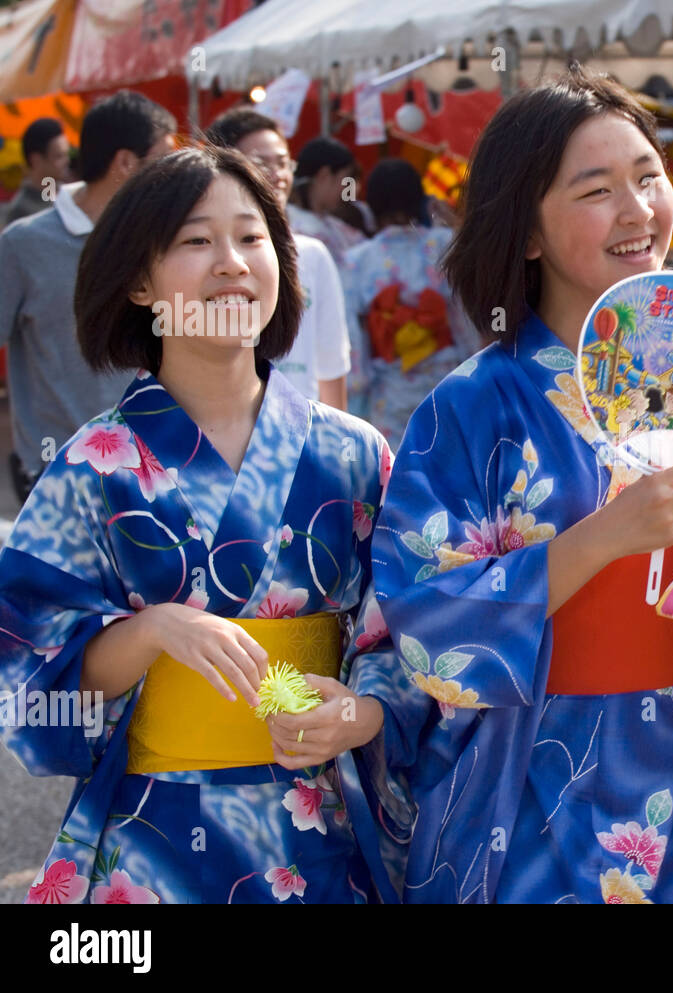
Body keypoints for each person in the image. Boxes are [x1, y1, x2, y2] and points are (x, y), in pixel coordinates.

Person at [365, 67, 673, 903]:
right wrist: (601, 538)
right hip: (534, 770)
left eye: (649, 177)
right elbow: (424, 619)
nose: (639, 209)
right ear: (527, 231)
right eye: (597, 189)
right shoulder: (473, 405)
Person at [0, 146, 400, 903]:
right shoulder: (95, 463)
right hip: (153, 840)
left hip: (316, 833)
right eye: (195, 240)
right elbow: (24, 665)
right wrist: (149, 632)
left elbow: (412, 633)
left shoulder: (354, 452)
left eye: (252, 239)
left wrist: (360, 709)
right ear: (141, 280)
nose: (231, 263)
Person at [0, 92, 176, 506]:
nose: (173, 177)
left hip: (157, 471)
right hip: (59, 476)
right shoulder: (25, 245)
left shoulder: (162, 241)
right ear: (126, 164)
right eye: (163, 161)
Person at [204, 108, 351, 409]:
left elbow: (331, 364)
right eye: (260, 163)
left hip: (298, 434)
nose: (278, 175)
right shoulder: (201, 258)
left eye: (284, 163)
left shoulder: (312, 256)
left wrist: (338, 449)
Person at [340, 158, 479, 446]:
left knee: (394, 472)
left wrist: (357, 388)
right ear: (419, 200)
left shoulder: (357, 260)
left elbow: (355, 338)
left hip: (390, 392)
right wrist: (475, 364)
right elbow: (467, 317)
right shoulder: (444, 246)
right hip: (447, 382)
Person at [290, 136, 367, 264]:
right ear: (324, 175)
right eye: (345, 179)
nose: (347, 188)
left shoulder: (334, 225)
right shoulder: (290, 223)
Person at [2, 118, 72, 229]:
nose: (67, 160)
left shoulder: (72, 195)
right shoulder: (21, 211)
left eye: (66, 154)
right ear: (36, 160)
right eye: (59, 156)